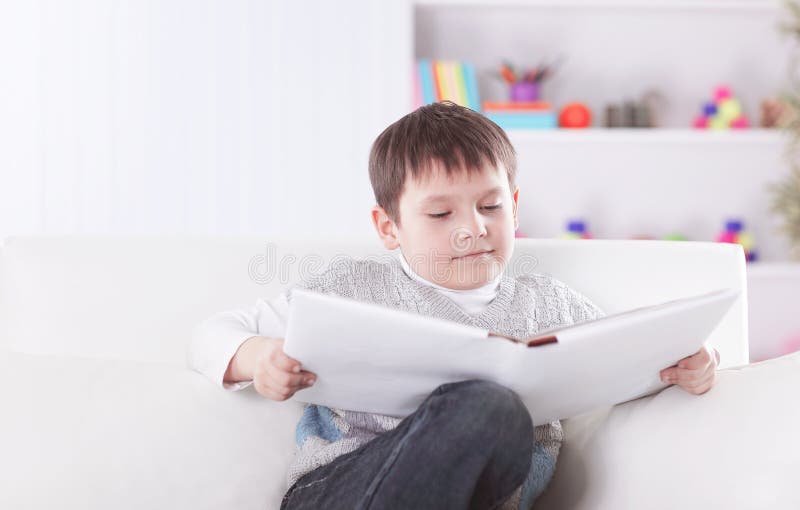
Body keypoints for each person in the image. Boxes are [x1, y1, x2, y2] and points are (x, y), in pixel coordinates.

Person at [187, 101, 720, 509]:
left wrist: (693, 360)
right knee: (483, 405)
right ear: (389, 227)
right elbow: (212, 334)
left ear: (513, 207)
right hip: (344, 491)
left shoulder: (548, 304)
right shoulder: (350, 287)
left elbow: (636, 351)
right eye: (440, 215)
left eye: (490, 206)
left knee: (493, 412)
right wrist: (259, 359)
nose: (472, 229)